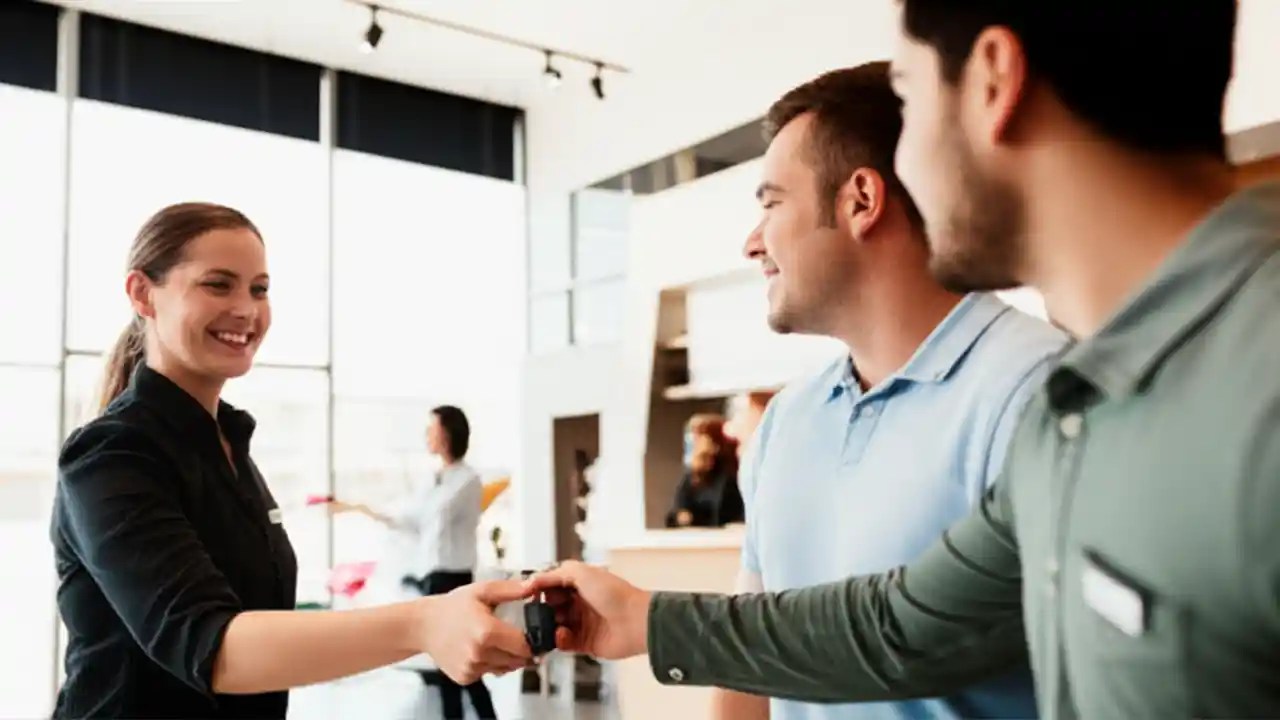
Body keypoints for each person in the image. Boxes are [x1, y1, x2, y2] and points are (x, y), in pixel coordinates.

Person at [526, 2, 1280, 718]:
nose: (905, 166)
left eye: (912, 106)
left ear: (993, 81)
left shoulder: (1237, 379)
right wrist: (651, 621)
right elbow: (900, 627)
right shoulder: (1077, 413)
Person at [50, 202, 532, 720]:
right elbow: (211, 647)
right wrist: (422, 624)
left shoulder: (230, 445)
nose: (246, 308)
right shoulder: (111, 453)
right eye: (218, 284)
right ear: (143, 294)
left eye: (259, 288)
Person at [711, 62, 1064, 720]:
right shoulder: (785, 422)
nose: (752, 243)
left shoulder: (1036, 395)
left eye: (771, 204)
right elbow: (748, 658)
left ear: (861, 201)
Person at [330, 405, 497, 720]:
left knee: (463, 659)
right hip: (434, 578)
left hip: (455, 577)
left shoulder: (466, 480)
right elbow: (410, 521)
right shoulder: (435, 480)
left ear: (447, 434)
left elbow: (436, 516)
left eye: (431, 430)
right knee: (443, 660)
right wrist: (359, 508)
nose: (426, 436)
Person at [665, 414, 744, 528]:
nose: (694, 443)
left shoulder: (730, 476)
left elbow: (723, 513)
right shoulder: (692, 476)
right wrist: (682, 516)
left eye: (698, 436)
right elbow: (678, 509)